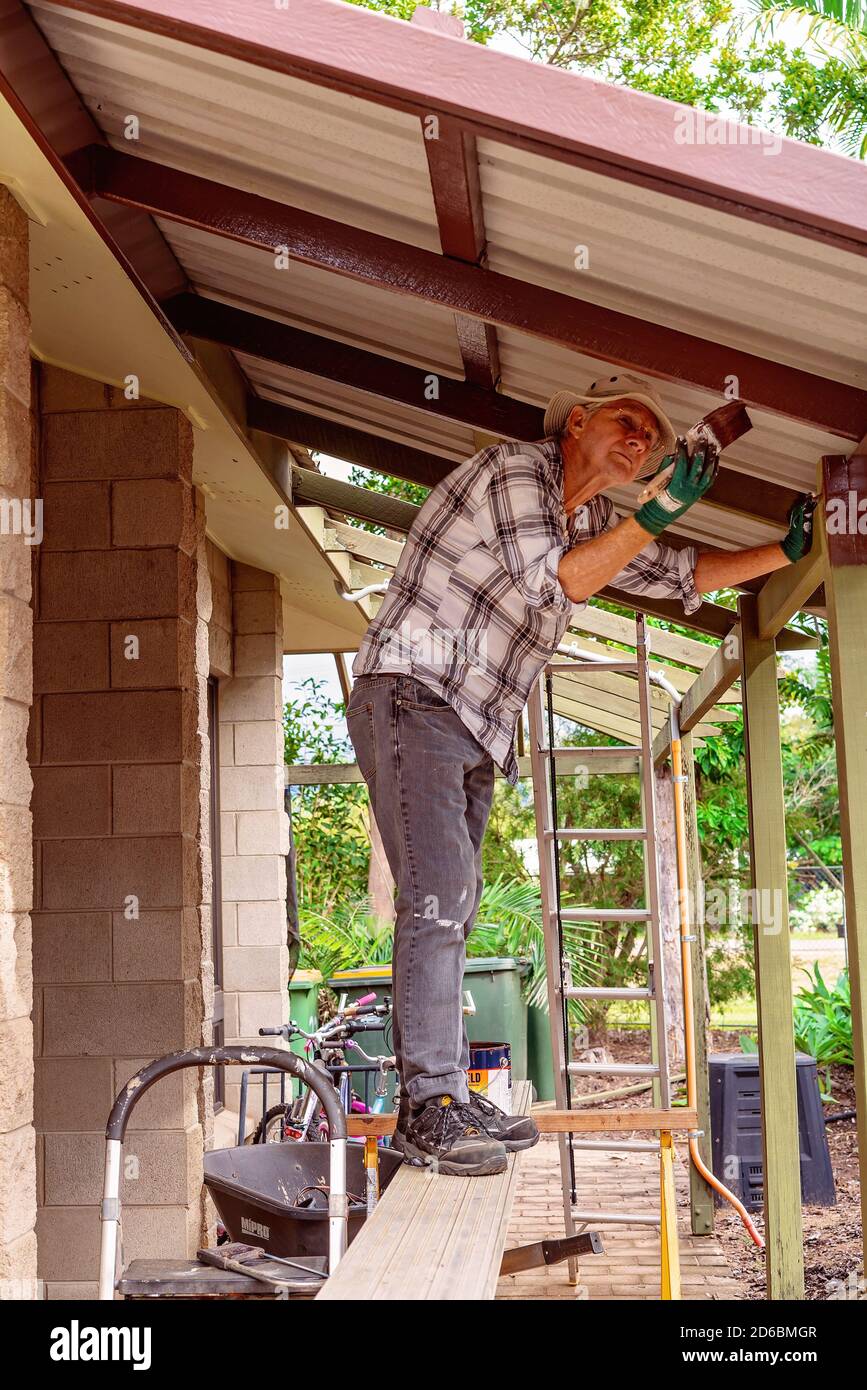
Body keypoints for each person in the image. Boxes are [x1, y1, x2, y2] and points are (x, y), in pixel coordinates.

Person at [346, 374, 815, 1176]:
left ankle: (446, 1093)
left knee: (451, 905)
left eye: (651, 441)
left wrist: (785, 550)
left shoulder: (594, 521)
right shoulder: (514, 472)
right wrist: (652, 516)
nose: (639, 440)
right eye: (626, 421)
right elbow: (553, 581)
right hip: (415, 695)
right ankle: (426, 1106)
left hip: (472, 721)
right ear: (575, 424)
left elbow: (675, 577)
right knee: (438, 899)